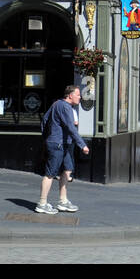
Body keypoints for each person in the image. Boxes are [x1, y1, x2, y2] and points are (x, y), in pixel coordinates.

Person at [35, 85, 89, 214]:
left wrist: (46, 137)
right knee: (50, 174)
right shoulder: (65, 107)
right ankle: (42, 203)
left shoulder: (56, 104)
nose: (80, 97)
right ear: (70, 95)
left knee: (67, 170)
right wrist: (82, 145)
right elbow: (71, 128)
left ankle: (63, 201)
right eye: (78, 94)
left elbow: (44, 120)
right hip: (57, 144)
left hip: (63, 144)